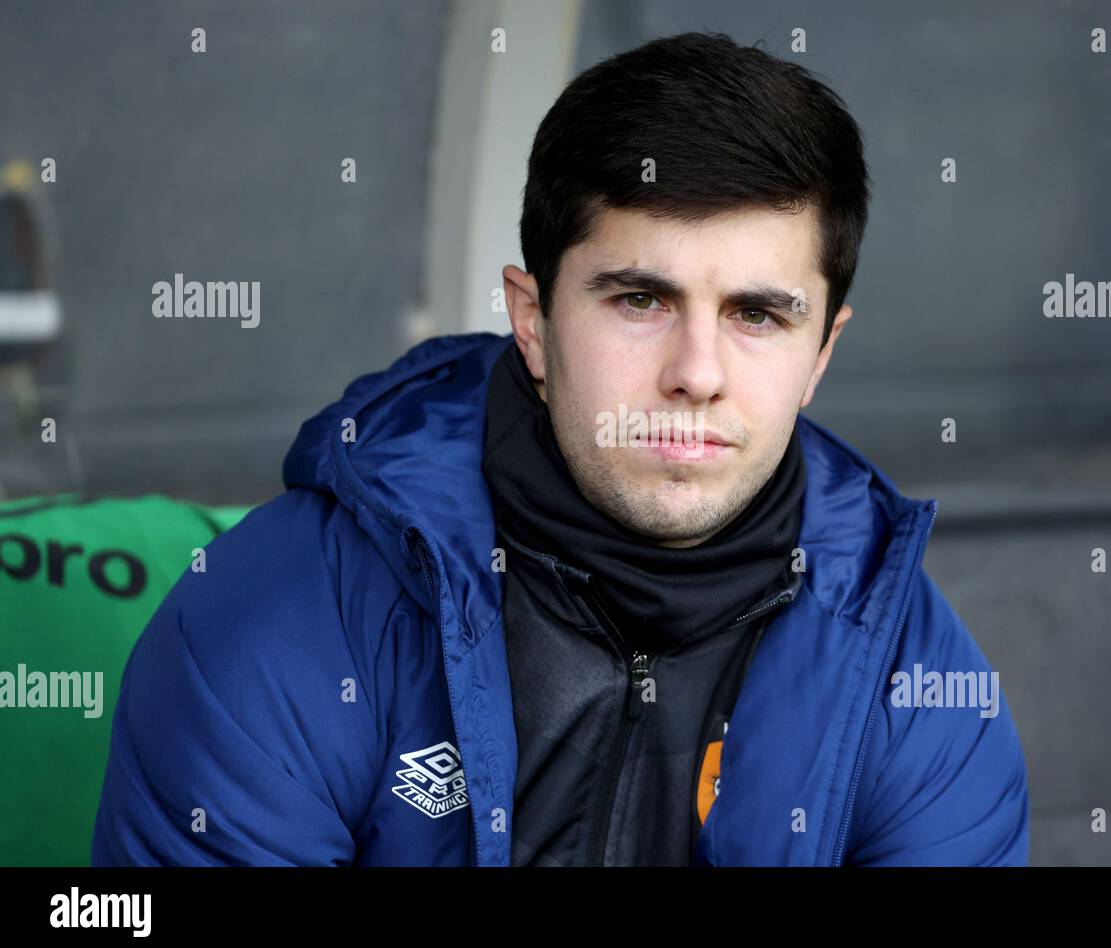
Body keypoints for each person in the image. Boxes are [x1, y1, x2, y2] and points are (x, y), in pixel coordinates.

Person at [92, 32, 1029, 866]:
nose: (695, 372)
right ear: (532, 321)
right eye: (639, 300)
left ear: (821, 353)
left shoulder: (913, 676)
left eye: (756, 314)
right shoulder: (282, 616)